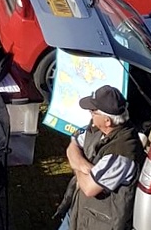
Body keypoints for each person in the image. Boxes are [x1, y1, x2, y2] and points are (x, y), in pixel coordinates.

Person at [55, 84, 143, 230]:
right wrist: (84, 166)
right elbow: (73, 146)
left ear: (107, 120)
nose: (90, 114)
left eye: (93, 111)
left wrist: (76, 167)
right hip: (77, 213)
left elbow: (88, 188)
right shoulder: (98, 128)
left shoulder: (121, 153)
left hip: (98, 223)